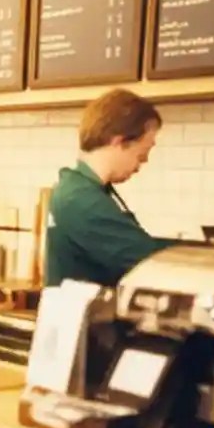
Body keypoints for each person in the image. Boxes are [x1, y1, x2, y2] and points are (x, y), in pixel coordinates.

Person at [45, 89, 175, 288]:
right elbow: (146, 262)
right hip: (82, 317)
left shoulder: (82, 188)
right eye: (142, 154)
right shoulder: (81, 199)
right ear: (119, 142)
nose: (144, 162)